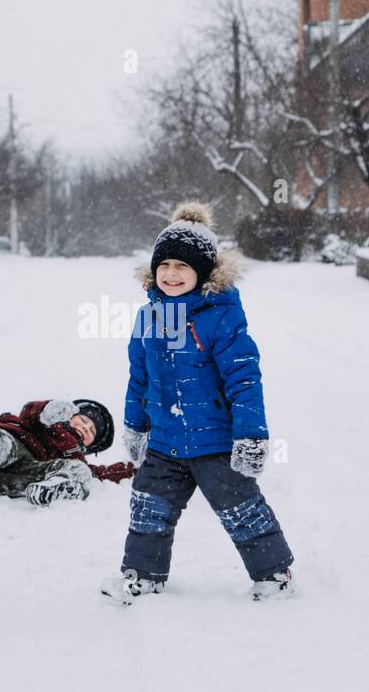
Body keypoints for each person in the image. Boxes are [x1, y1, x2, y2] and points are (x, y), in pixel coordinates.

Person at [101, 202, 295, 604]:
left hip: (216, 443)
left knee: (241, 509)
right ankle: (143, 575)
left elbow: (244, 378)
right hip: (165, 442)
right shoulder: (149, 318)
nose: (172, 274)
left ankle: (274, 574)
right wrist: (135, 424)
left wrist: (251, 436)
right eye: (165, 265)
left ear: (203, 272)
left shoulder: (221, 318)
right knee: (148, 507)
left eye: (183, 267)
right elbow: (139, 378)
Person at [0, 399, 133, 506]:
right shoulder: (51, 422)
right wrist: (48, 410)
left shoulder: (76, 456)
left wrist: (139, 469)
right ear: (71, 415)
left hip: (22, 476)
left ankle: (52, 488)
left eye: (90, 432)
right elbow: (30, 412)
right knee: (3, 447)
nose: (85, 429)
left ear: (90, 445)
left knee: (81, 471)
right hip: (16, 445)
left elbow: (103, 473)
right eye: (84, 421)